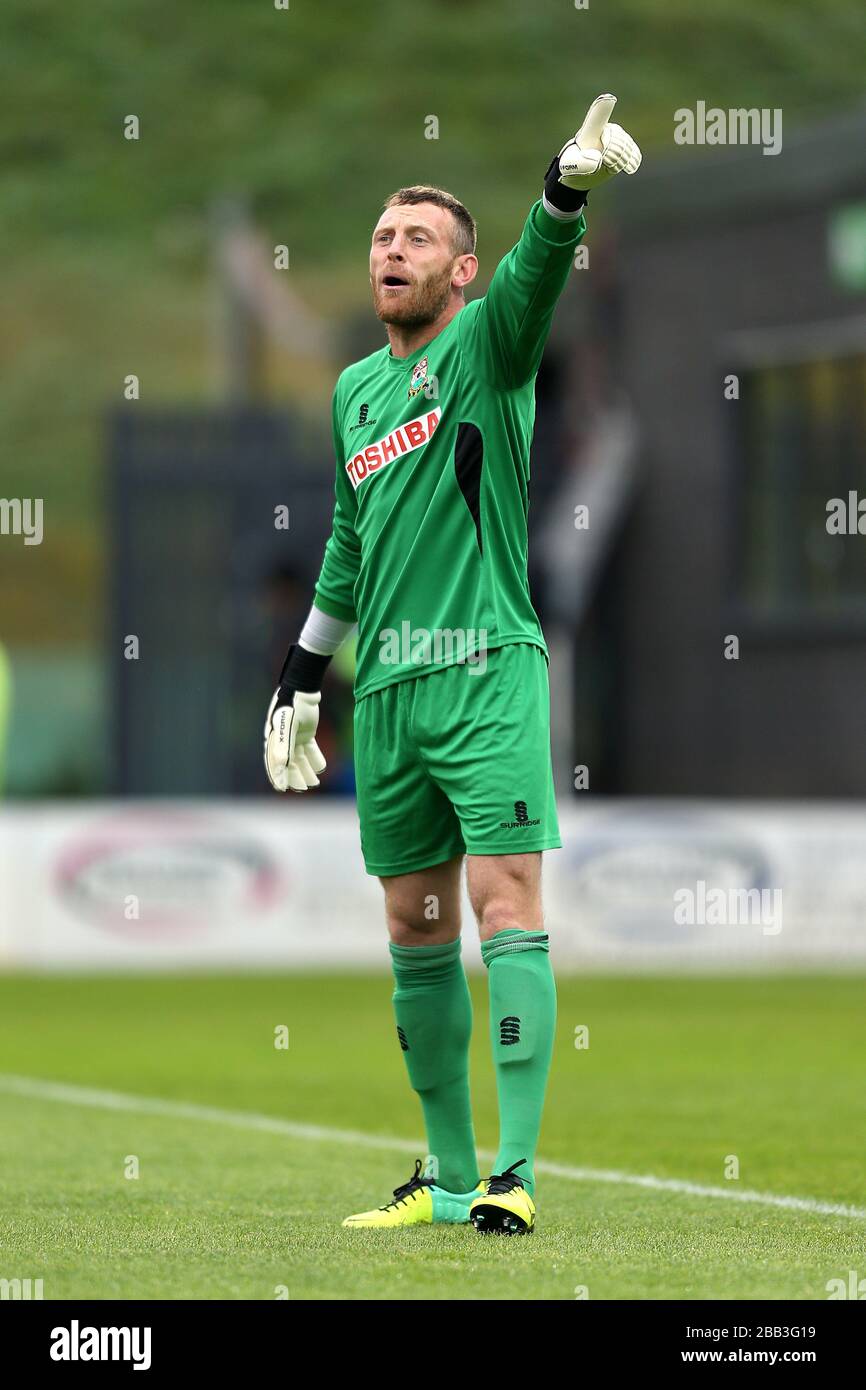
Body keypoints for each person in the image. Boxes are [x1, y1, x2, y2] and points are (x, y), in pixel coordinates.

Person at [264, 96, 641, 1235]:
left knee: (503, 899)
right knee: (415, 928)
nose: (392, 249)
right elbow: (345, 542)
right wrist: (298, 674)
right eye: (382, 236)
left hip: (483, 668)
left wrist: (561, 192)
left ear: (461, 272)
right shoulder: (351, 391)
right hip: (385, 691)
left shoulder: (489, 346)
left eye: (417, 238)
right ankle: (440, 1174)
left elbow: (536, 274)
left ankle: (511, 1174)